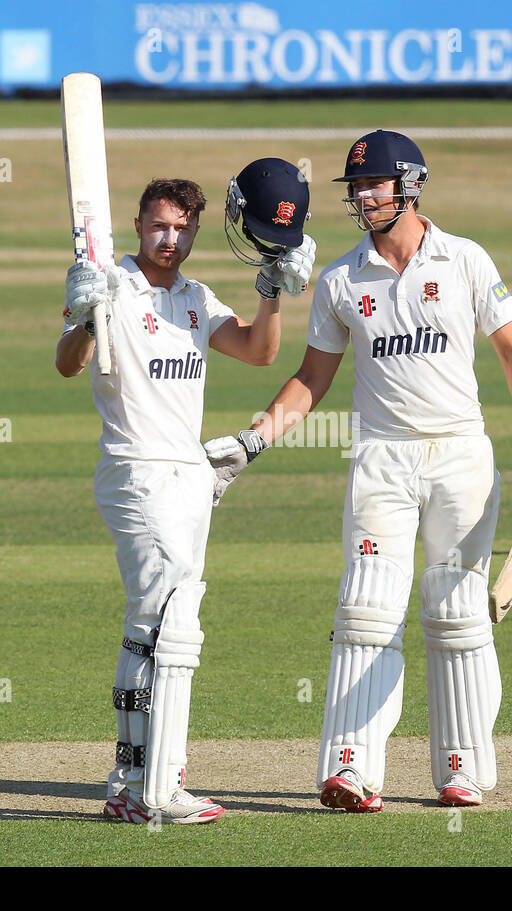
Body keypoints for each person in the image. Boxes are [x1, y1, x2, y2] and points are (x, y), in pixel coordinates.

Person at [204, 131, 512, 812]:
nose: (365, 198)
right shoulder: (342, 280)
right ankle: (350, 764)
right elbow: (311, 377)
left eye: (375, 185)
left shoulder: (464, 259)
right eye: (357, 190)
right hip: (382, 458)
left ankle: (460, 768)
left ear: (410, 184)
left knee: (457, 612)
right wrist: (254, 441)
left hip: (461, 454)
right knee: (366, 608)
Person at [58, 165, 316, 824]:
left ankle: (129, 785)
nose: (168, 239)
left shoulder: (198, 298)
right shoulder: (111, 285)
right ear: (139, 225)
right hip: (134, 470)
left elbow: (259, 353)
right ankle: (158, 789)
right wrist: (89, 317)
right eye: (158, 226)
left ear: (195, 230)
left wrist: (273, 294)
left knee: (152, 625)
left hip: (190, 477)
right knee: (172, 620)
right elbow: (67, 362)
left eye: (180, 229)